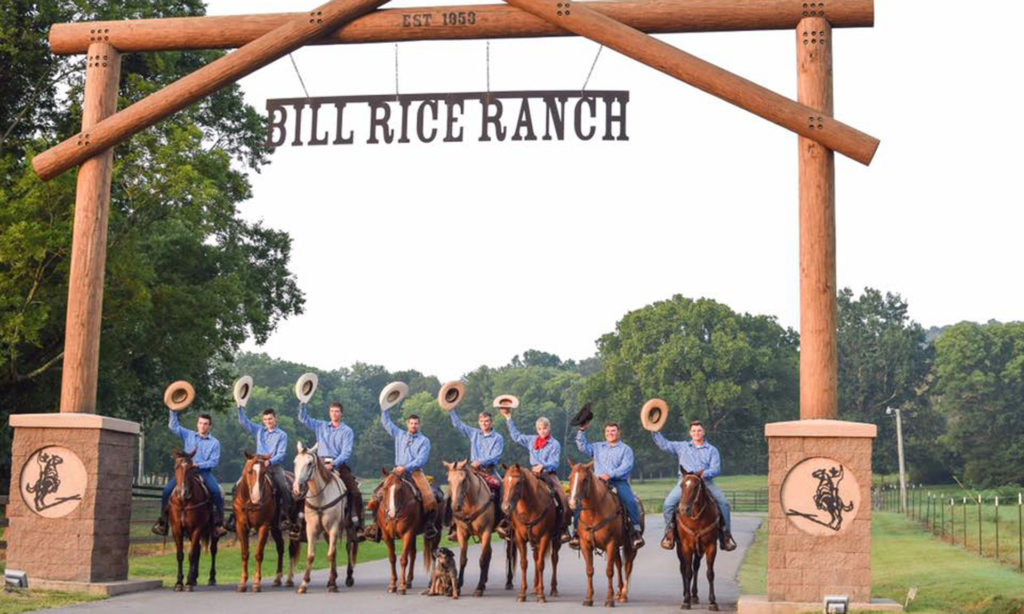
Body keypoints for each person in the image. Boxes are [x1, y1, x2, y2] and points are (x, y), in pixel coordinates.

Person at [653, 420, 736, 551]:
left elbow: (716, 468)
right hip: (685, 482)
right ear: (690, 433)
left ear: (703, 432)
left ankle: (726, 535)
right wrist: (655, 431)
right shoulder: (682, 446)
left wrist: (703, 474)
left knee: (724, 503)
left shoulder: (712, 450)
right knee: (668, 503)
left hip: (705, 482)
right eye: (694, 431)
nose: (696, 433)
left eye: (699, 430)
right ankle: (669, 533)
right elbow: (665, 445)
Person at [364, 410, 438, 540]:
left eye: (416, 423)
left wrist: (406, 467)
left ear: (419, 425)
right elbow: (387, 423)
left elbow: (421, 459)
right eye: (411, 423)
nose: (414, 425)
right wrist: (384, 409)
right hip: (397, 471)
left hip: (415, 472)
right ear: (407, 424)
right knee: (377, 495)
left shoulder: (424, 440)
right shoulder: (399, 434)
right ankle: (376, 525)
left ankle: (429, 525)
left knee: (429, 497)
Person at [502, 409, 571, 543]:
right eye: (539, 429)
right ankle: (508, 524)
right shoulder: (531, 440)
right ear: (537, 429)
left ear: (549, 428)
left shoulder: (554, 444)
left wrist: (543, 466)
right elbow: (516, 436)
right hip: (532, 474)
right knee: (513, 491)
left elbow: (555, 462)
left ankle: (564, 528)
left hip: (549, 474)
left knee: (562, 496)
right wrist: (508, 418)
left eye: (545, 428)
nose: (542, 431)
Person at [152, 412, 226, 537]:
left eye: (206, 424)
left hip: (203, 472)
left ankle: (218, 524)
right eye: (200, 423)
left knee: (215, 491)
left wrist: (198, 465)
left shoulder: (215, 443)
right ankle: (163, 523)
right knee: (167, 491)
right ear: (197, 424)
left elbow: (214, 461)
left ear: (210, 426)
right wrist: (173, 411)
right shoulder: (188, 435)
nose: (202, 426)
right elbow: (173, 427)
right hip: (185, 471)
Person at [298, 399, 364, 537]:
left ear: (341, 414)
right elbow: (303, 419)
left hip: (338, 464)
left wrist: (333, 463)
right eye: (332, 411)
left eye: (337, 411)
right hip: (319, 464)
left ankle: (357, 522)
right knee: (301, 487)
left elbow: (346, 452)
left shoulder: (347, 431)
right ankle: (300, 522)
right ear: (329, 413)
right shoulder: (320, 425)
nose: (334, 414)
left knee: (355, 492)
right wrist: (302, 403)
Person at [574, 421, 645, 550]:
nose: (610, 433)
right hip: (598, 483)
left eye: (613, 431)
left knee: (630, 501)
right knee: (580, 501)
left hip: (618, 482)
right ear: (604, 433)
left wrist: (610, 474)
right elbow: (582, 446)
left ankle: (635, 531)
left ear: (618, 432)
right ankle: (576, 533)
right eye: (607, 431)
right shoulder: (597, 447)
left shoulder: (625, 449)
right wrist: (582, 430)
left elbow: (626, 466)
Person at [446, 409, 505, 538]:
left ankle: (502, 522)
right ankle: (454, 524)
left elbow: (496, 455)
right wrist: (451, 410)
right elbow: (458, 425)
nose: (484, 423)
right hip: (472, 470)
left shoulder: (498, 438)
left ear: (492, 422)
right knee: (454, 489)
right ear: (479, 422)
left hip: (489, 470)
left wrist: (481, 461)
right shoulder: (474, 433)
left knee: (501, 487)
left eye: (487, 421)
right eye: (482, 421)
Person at [237, 406, 294, 531]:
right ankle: (236, 514)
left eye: (270, 419)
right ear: (263, 420)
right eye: (266, 419)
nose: (268, 421)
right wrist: (240, 408)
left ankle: (285, 515)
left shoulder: (282, 435)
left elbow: (281, 453)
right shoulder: (259, 430)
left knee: (283, 486)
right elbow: (244, 422)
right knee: (239, 484)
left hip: (273, 466)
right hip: (258, 465)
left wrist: (270, 461)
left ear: (275, 419)